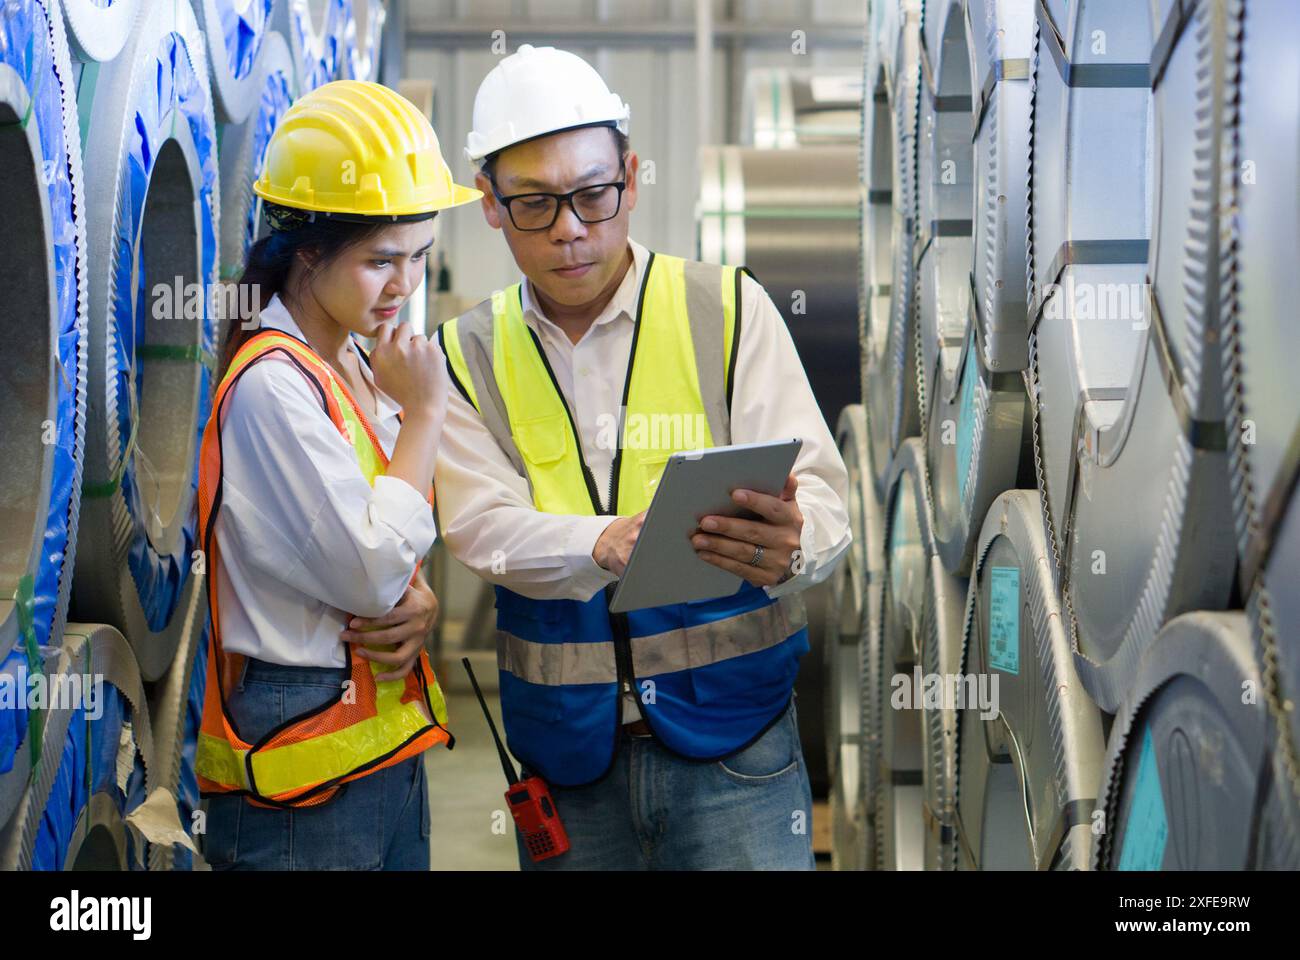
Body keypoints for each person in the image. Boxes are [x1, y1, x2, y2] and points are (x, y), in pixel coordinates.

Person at [434, 45, 851, 870]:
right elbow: (479, 525)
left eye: (594, 193)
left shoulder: (727, 309)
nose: (571, 229)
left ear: (630, 172)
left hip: (738, 752)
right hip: (569, 763)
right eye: (534, 205)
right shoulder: (466, 354)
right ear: (487, 202)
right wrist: (598, 544)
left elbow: (827, 498)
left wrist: (795, 542)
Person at [195, 80, 480, 870]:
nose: (404, 286)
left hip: (378, 739)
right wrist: (423, 415)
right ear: (307, 252)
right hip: (303, 750)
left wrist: (416, 598)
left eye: (419, 257)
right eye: (380, 260)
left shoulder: (352, 356)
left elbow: (379, 538)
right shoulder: (273, 385)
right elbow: (367, 567)